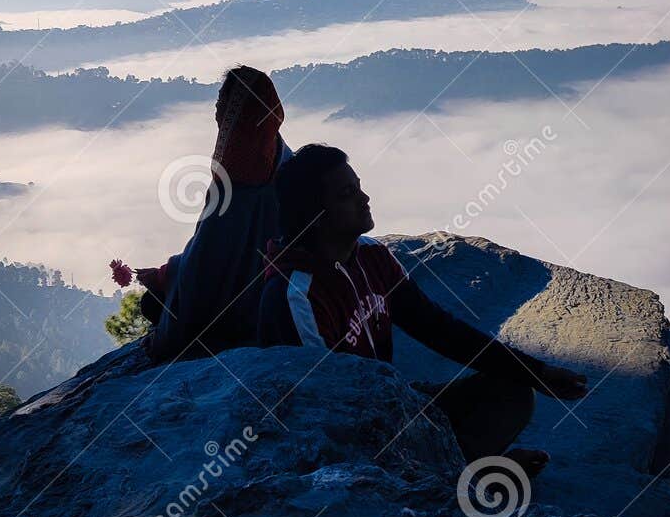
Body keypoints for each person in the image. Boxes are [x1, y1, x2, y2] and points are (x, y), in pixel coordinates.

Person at [256, 144, 586, 465]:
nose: (364, 199)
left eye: (358, 187)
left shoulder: (372, 256)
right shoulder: (296, 297)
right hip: (350, 429)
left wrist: (535, 371)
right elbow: (324, 408)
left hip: (390, 402)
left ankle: (464, 465)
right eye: (347, 194)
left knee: (513, 390)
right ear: (314, 216)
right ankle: (467, 476)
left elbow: (435, 326)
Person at [118, 65, 290, 362]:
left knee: (151, 304)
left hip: (236, 312)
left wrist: (163, 275)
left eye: (223, 101)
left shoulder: (231, 186)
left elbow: (204, 270)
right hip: (276, 299)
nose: (217, 108)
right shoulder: (288, 163)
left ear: (236, 115)